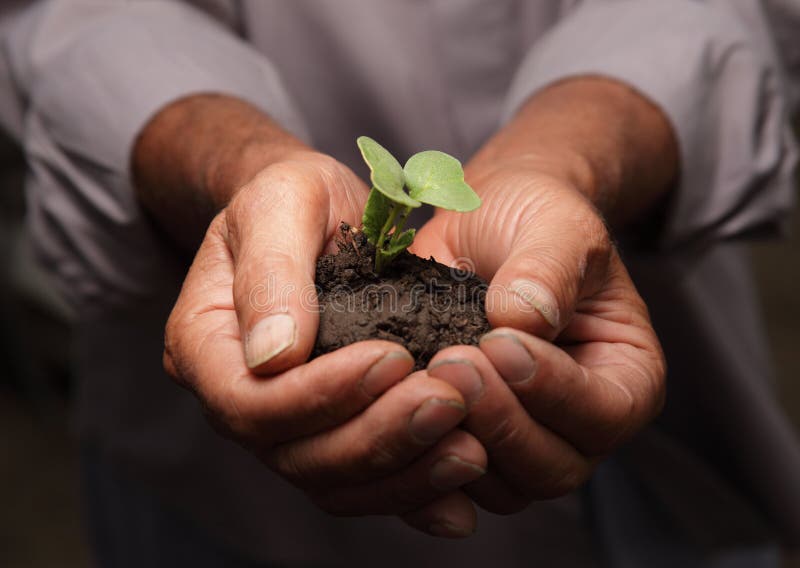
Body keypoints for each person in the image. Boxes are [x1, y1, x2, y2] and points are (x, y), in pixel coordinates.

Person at [1, 0, 798, 566]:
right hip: (229, 504)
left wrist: (567, 157)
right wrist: (235, 163)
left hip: (650, 453)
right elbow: (85, 19)